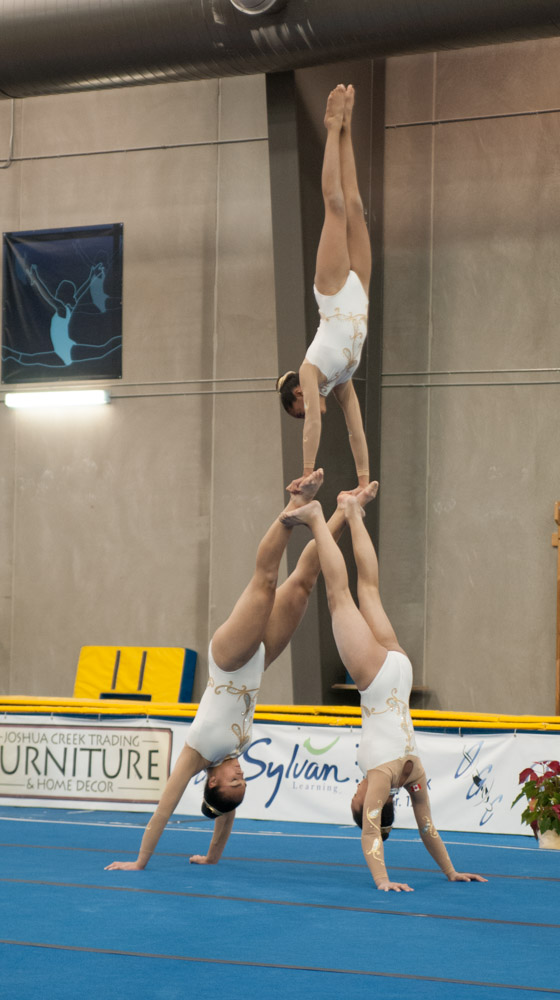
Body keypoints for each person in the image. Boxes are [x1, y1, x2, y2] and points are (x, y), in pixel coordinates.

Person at [105, 471, 379, 871]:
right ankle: (345, 509)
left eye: (234, 781)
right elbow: (224, 818)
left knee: (265, 582)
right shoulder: (230, 761)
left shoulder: (196, 754)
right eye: (243, 782)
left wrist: (140, 861)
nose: (240, 775)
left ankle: (294, 506)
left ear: (212, 781)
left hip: (230, 659)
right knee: (303, 582)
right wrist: (212, 856)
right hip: (259, 661)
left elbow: (163, 811)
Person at [281, 489, 488, 892]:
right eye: (356, 801)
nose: (355, 793)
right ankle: (317, 518)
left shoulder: (414, 778)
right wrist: (382, 880)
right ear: (369, 803)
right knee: (339, 596)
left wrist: (451, 871)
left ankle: (354, 513)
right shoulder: (379, 778)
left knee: (369, 591)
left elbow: (428, 827)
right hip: (375, 679)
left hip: (400, 672)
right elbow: (371, 834)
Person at [276, 83, 371, 495]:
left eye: (298, 409)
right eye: (303, 411)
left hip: (333, 294)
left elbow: (313, 423)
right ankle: (347, 126)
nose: (307, 412)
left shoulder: (313, 372)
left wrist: (308, 469)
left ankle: (331, 128)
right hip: (360, 293)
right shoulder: (341, 379)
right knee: (353, 205)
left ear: (299, 392)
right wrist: (364, 481)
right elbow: (355, 429)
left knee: (333, 206)